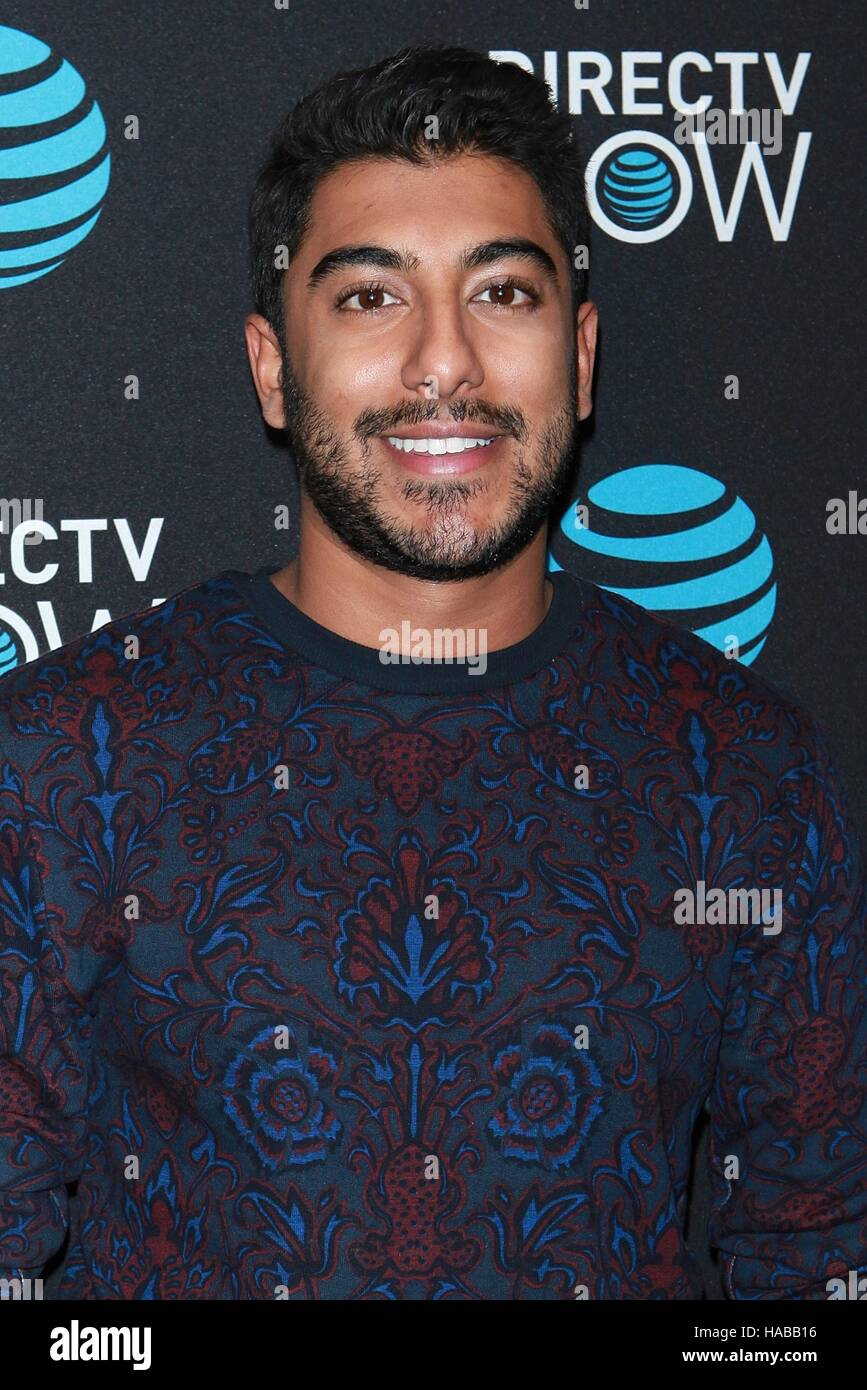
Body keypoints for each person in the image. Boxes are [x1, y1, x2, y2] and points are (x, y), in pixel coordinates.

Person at [1, 44, 864, 1302]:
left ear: (579, 354)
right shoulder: (61, 760)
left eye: (502, 292)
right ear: (269, 369)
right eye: (369, 298)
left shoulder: (743, 775)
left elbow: (815, 1261)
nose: (443, 363)